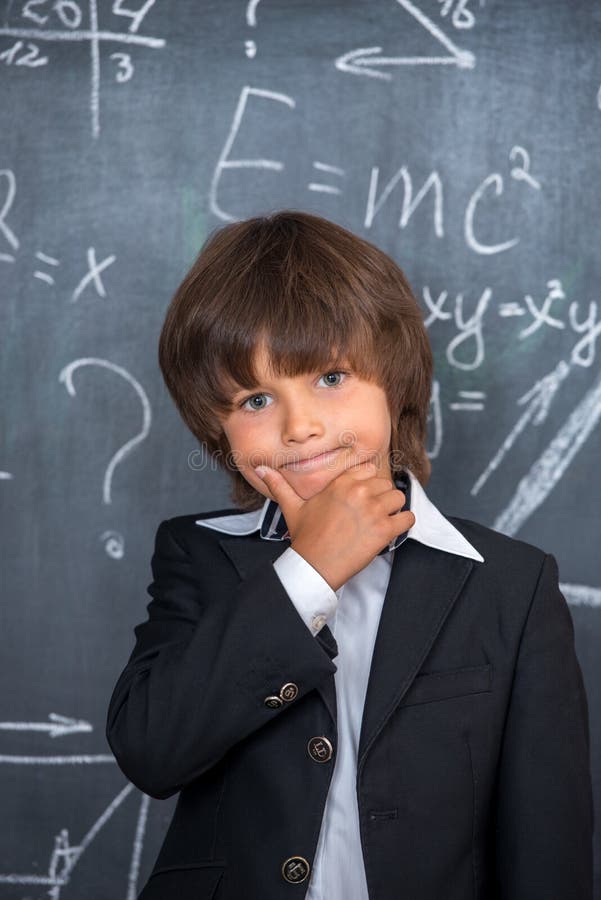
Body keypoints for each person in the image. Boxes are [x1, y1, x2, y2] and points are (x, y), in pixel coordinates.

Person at [106, 210, 593, 900]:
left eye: (329, 378)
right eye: (255, 398)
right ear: (215, 428)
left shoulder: (511, 585)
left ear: (392, 384)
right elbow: (152, 751)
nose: (299, 426)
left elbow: (548, 845)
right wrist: (307, 570)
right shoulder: (199, 556)